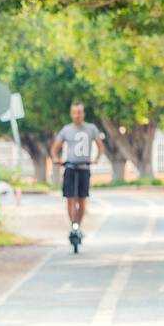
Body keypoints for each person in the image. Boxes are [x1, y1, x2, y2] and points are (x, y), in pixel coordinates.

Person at [50, 102, 104, 245]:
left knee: (81, 200)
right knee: (70, 199)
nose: (77, 115)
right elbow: (55, 147)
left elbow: (100, 146)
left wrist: (97, 159)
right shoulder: (66, 130)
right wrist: (56, 158)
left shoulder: (91, 129)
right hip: (70, 168)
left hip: (84, 168)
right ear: (71, 113)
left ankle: (78, 226)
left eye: (79, 112)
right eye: (74, 112)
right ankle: (73, 225)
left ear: (83, 113)